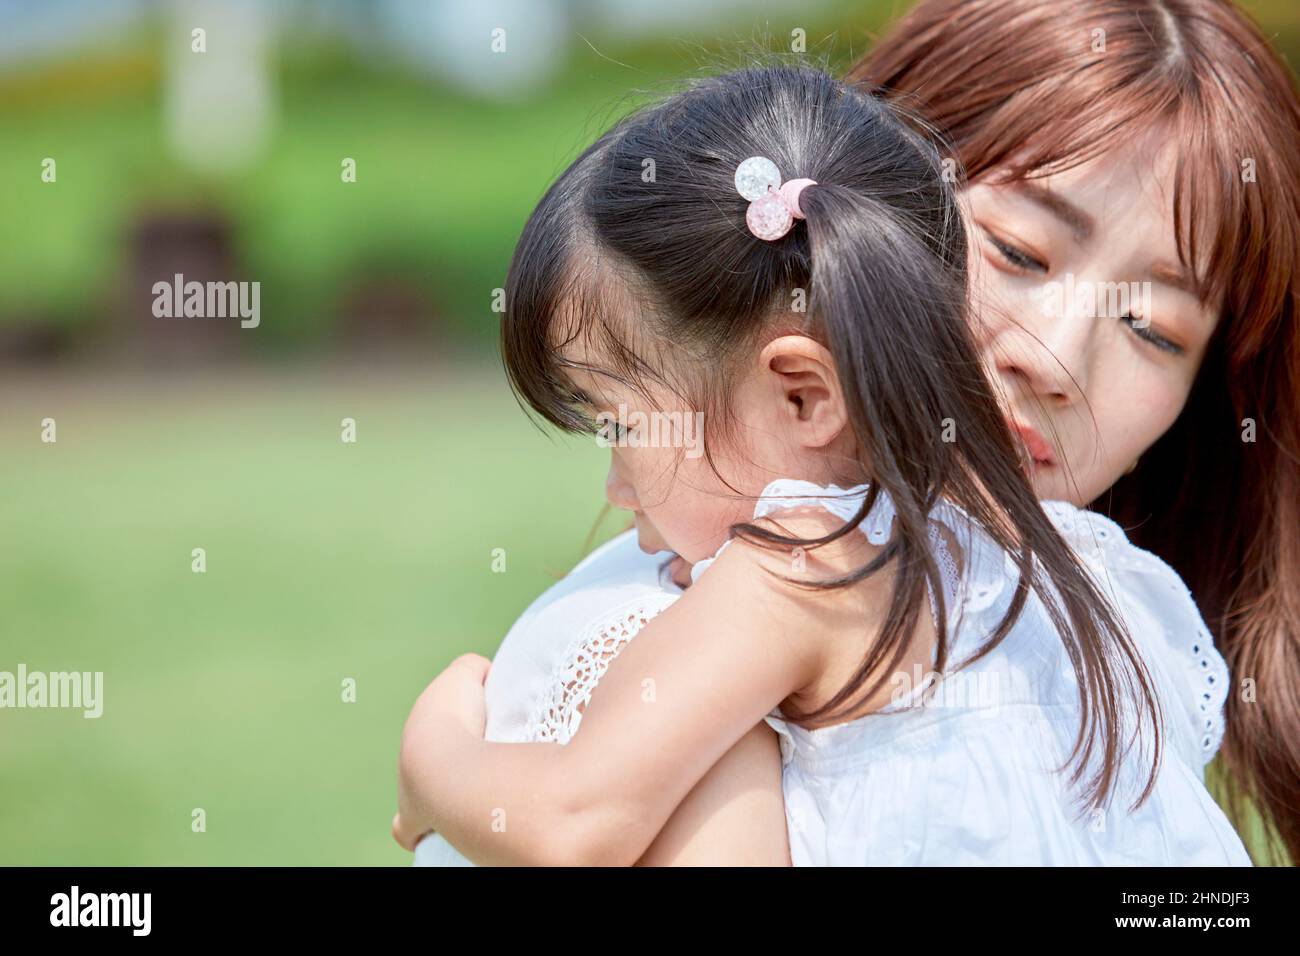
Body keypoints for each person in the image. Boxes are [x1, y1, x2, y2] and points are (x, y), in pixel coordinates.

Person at [394, 64, 1250, 865]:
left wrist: (436, 755)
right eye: (1016, 254)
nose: (618, 490)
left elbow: (575, 823)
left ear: (803, 396)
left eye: (621, 429)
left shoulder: (797, 566)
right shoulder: (1095, 577)